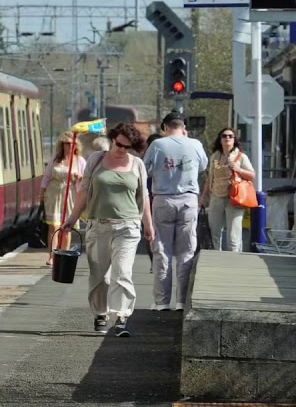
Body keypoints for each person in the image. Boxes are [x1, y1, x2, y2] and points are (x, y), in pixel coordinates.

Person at [62, 123, 154, 337]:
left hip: (128, 226)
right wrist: (73, 218)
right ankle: (100, 313)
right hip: (98, 225)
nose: (121, 149)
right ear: (113, 139)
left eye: (126, 147)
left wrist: (148, 225)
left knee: (122, 272)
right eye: (118, 144)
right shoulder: (96, 160)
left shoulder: (137, 164)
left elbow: (144, 198)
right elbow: (83, 192)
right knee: (99, 276)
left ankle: (121, 317)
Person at [142, 112, 210, 311]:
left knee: (162, 252)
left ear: (164, 127)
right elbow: (203, 166)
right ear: (183, 126)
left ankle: (162, 302)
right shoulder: (195, 144)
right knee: (186, 252)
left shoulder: (158, 145)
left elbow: (143, 170)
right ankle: (181, 301)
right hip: (189, 200)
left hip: (163, 200)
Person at [201, 127, 255, 252]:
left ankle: (233, 262)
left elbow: (252, 175)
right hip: (216, 197)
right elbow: (210, 178)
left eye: (230, 136)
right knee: (214, 232)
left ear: (235, 140)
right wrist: (204, 197)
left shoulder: (241, 157)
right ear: (220, 140)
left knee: (233, 236)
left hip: (234, 198)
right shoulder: (215, 156)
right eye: (224, 136)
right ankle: (216, 260)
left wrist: (238, 169)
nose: (227, 138)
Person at [40, 132, 86, 261]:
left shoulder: (80, 160)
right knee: (54, 226)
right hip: (54, 194)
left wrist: (80, 177)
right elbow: (47, 177)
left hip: (70, 195)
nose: (69, 146)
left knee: (66, 228)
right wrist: (41, 194)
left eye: (72, 144)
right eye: (66, 143)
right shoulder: (56, 159)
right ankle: (52, 256)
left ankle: (63, 255)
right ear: (62, 145)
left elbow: (87, 178)